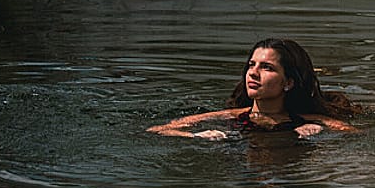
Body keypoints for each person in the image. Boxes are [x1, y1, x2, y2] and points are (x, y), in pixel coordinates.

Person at [148, 38, 361, 140]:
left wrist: (320, 136)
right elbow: (158, 130)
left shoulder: (312, 121)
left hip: (292, 182)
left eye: (266, 67)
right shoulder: (229, 116)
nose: (253, 73)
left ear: (289, 82)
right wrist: (196, 137)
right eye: (251, 65)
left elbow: (356, 137)